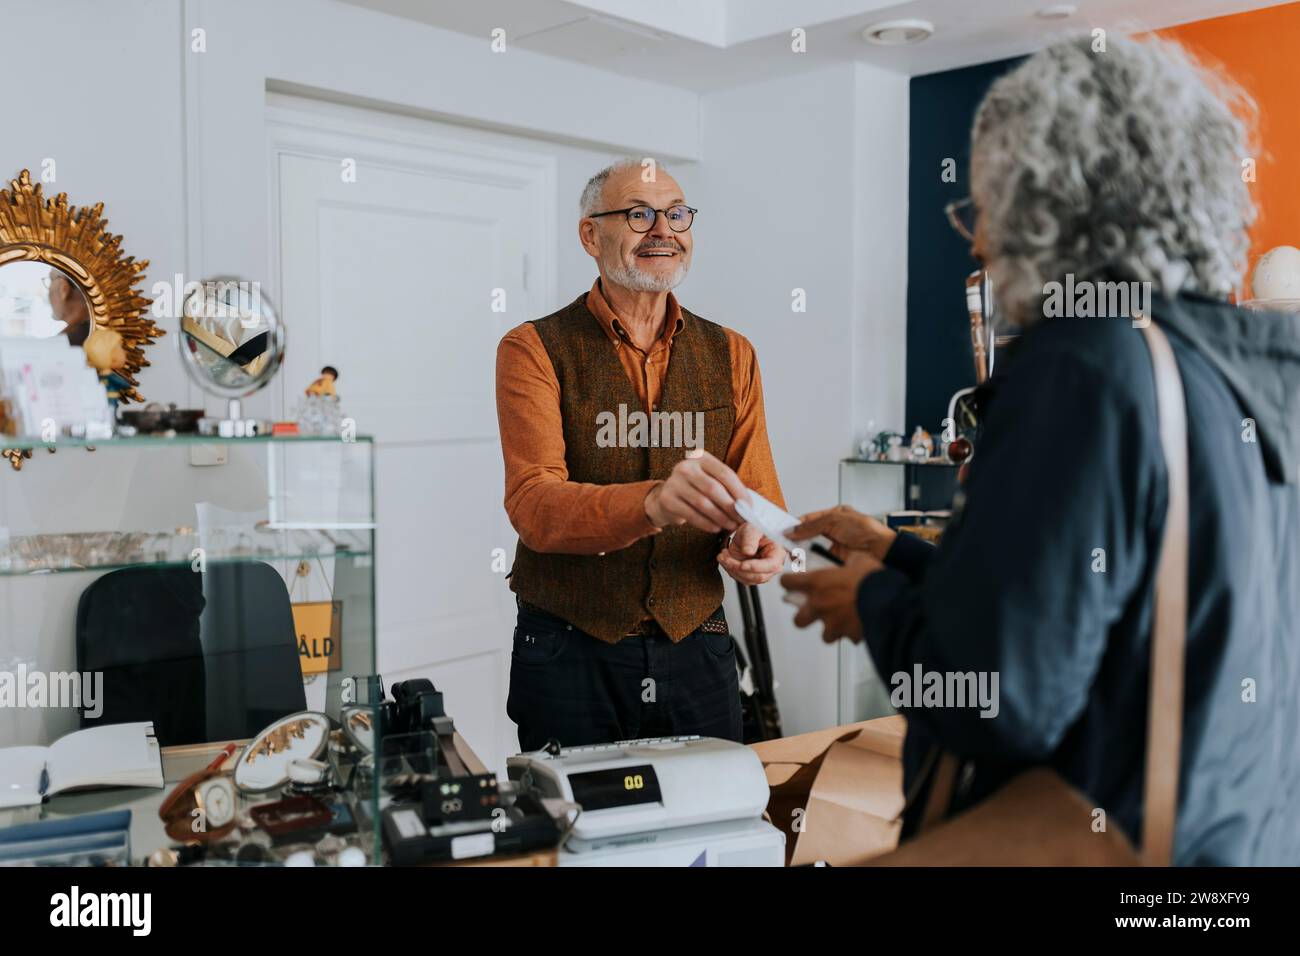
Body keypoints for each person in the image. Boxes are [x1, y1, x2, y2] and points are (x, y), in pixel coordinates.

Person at [783, 35, 1299, 864]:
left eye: (986, 206)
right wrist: (900, 556)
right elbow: (1115, 614)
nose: (979, 243)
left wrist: (873, 602)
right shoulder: (1241, 373)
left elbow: (1001, 696)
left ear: (1048, 205)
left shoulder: (1083, 369)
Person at [496, 158, 786, 751]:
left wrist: (760, 542)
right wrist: (653, 502)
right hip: (569, 649)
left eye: (677, 215)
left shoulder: (733, 352)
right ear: (589, 235)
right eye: (638, 215)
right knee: (578, 829)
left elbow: (758, 499)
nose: (663, 231)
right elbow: (534, 505)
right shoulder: (532, 349)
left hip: (697, 642)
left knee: (710, 822)